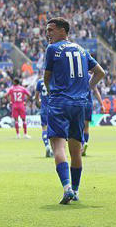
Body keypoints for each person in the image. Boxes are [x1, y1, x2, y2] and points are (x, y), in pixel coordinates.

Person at [43, 17, 106, 204]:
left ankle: (67, 188)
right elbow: (100, 72)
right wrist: (86, 88)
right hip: (79, 104)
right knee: (76, 150)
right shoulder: (82, 50)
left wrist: (49, 90)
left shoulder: (52, 49)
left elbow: (47, 77)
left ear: (63, 30)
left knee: (58, 146)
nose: (48, 33)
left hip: (59, 102)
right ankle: (76, 191)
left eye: (51, 30)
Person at [35, 77, 53, 157]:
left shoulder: (40, 82)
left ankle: (47, 146)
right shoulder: (54, 79)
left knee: (44, 128)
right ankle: (52, 149)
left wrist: (39, 105)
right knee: (53, 129)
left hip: (44, 109)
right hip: (53, 108)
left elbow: (36, 97)